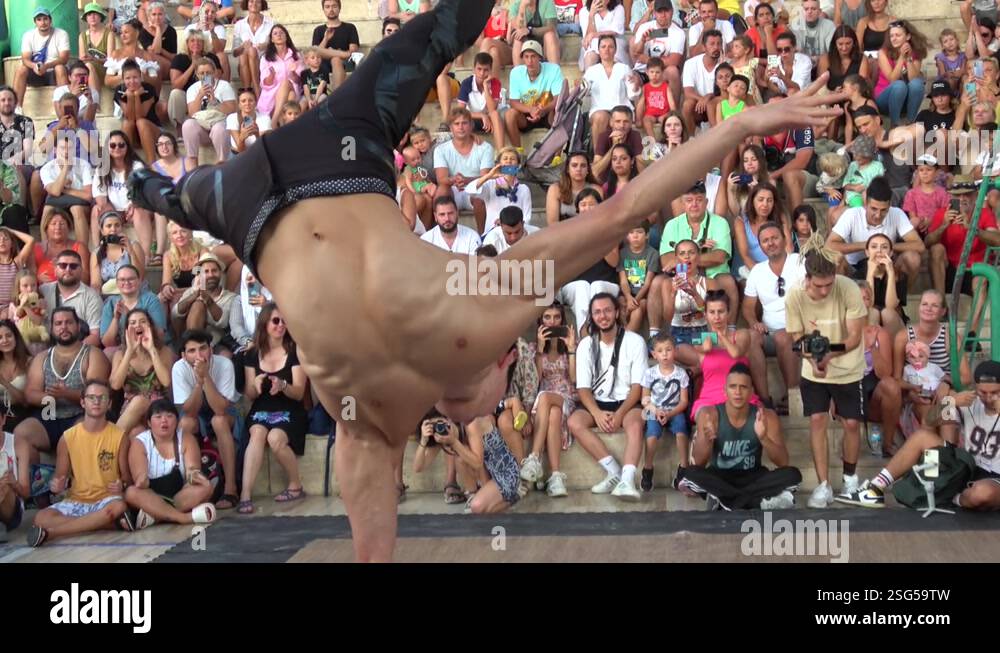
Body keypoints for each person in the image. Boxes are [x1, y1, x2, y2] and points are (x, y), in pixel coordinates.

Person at [127, 0, 846, 561]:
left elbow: (631, 206)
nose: (500, 400)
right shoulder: (418, 372)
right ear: (506, 362)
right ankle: (149, 188)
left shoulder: (442, 349)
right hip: (281, 183)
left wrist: (744, 124)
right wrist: (739, 123)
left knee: (185, 191)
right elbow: (628, 206)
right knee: (181, 190)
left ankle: (148, 188)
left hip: (276, 181)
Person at [837, 359, 1000, 511]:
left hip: (995, 478)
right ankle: (874, 489)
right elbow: (929, 422)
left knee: (981, 494)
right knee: (923, 436)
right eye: (982, 392)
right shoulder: (970, 401)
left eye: (994, 392)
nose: (988, 397)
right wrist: (950, 402)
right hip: (968, 468)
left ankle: (948, 498)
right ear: (975, 387)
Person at [784, 233, 866, 508]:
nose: (825, 290)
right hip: (814, 371)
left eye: (829, 284)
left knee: (851, 423)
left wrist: (829, 354)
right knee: (817, 420)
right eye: (819, 286)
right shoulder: (795, 295)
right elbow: (795, 336)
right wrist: (812, 360)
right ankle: (823, 484)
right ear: (807, 279)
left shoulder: (848, 289)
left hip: (848, 367)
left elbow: (855, 336)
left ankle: (850, 477)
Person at [680, 363, 801, 510]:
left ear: (751, 392)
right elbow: (698, 463)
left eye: (743, 387)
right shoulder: (709, 414)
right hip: (720, 477)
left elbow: (783, 462)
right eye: (733, 387)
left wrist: (764, 438)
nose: (738, 392)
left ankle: (725, 501)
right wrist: (706, 439)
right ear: (725, 390)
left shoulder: (766, 416)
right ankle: (755, 502)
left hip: (753, 477)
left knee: (793, 475)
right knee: (690, 475)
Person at [26, 379, 132, 547]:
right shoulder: (67, 438)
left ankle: (53, 533)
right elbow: (60, 479)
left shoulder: (120, 436)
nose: (96, 402)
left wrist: (122, 484)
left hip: (106, 500)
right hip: (76, 500)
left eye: (102, 398)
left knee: (118, 506)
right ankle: (103, 524)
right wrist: (57, 486)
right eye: (91, 397)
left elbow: (127, 478)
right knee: (41, 517)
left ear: (109, 403)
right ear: (82, 402)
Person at [568, 293, 647, 500]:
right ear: (592, 317)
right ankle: (614, 472)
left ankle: (628, 481)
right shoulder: (586, 344)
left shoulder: (635, 341)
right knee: (575, 422)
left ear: (617, 312)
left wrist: (620, 414)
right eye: (597, 312)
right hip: (598, 402)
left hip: (627, 402)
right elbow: (583, 388)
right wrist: (596, 413)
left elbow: (638, 387)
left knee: (636, 424)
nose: (603, 316)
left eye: (607, 310)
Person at [239, 304, 308, 514]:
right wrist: (255, 384)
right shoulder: (252, 354)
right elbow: (250, 396)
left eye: (284, 321)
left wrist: (283, 386)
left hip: (290, 408)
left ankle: (295, 485)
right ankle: (245, 495)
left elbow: (299, 392)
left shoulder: (295, 351)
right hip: (262, 408)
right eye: (276, 321)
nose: (281, 325)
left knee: (275, 438)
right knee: (257, 433)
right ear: (265, 324)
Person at [171, 329, 241, 509]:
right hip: (197, 410)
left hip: (223, 410)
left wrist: (206, 376)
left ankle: (230, 488)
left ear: (211, 349)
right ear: (183, 354)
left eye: (203, 348)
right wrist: (199, 383)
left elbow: (220, 408)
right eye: (192, 351)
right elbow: (190, 411)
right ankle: (189, 487)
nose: (199, 355)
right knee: (185, 423)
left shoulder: (224, 364)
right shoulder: (179, 368)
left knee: (219, 421)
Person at [124, 399, 216, 528]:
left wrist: (195, 475)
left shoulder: (186, 438)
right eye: (158, 416)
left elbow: (192, 469)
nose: (164, 420)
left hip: (179, 497)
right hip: (151, 495)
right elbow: (139, 477)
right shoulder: (140, 442)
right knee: (131, 492)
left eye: (169, 416)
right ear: (149, 423)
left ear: (177, 421)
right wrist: (142, 479)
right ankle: (184, 518)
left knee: (206, 487)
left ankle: (156, 516)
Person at [110, 307, 174, 436]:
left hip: (159, 409)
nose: (137, 325)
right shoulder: (120, 354)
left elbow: (166, 381)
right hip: (131, 411)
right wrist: (129, 352)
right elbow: (115, 385)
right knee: (136, 432)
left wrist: (151, 349)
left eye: (142, 321)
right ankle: (111, 447)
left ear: (150, 326)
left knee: (141, 400)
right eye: (132, 323)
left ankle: (107, 444)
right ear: (127, 330)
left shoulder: (164, 351)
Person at [640, 333, 689, 492]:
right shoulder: (649, 373)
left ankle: (684, 467)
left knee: (681, 428)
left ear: (675, 351)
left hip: (674, 411)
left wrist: (669, 414)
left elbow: (684, 401)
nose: (665, 354)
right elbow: (645, 399)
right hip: (653, 410)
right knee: (652, 433)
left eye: (668, 349)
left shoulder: (681, 373)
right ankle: (648, 468)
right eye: (660, 351)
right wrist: (656, 411)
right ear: (654, 354)